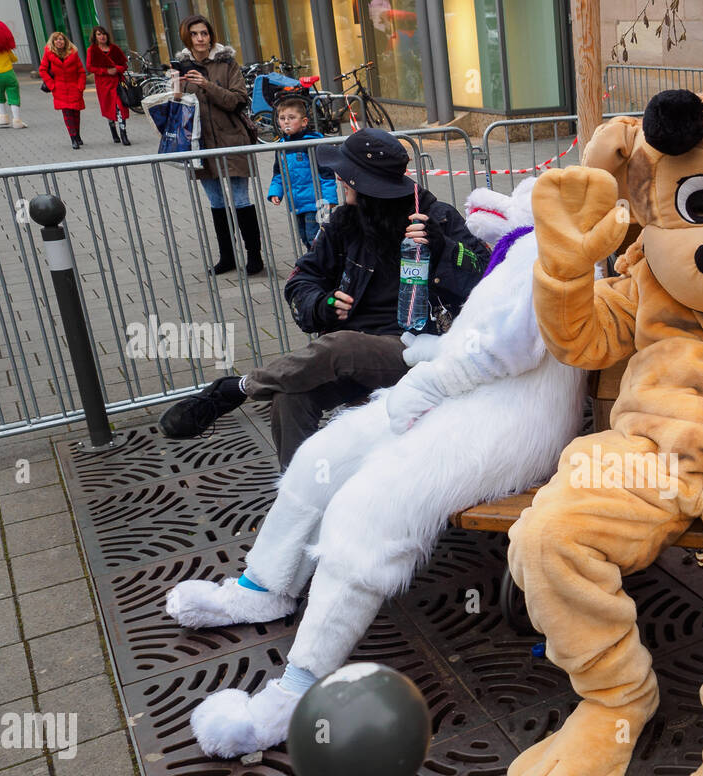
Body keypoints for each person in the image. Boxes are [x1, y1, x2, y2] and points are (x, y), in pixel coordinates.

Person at [163, 180, 587, 761]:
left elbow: (507, 350)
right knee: (320, 458)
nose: (488, 205)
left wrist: (426, 382)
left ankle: (293, 693)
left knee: (369, 509)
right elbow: (481, 341)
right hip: (466, 397)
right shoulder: (519, 247)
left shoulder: (545, 252)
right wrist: (425, 355)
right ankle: (262, 587)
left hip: (505, 423)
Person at [158, 128, 490, 467]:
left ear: (364, 183)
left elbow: (484, 276)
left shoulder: (436, 217)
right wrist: (322, 304)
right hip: (348, 353)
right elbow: (302, 279)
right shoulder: (344, 222)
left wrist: (443, 249)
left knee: (340, 346)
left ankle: (237, 388)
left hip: (416, 350)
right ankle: (299, 497)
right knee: (291, 396)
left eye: (345, 174)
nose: (337, 179)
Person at [172, 14, 262, 275]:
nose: (201, 38)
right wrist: (176, 89)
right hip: (199, 143)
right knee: (216, 201)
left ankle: (254, 256)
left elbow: (238, 100)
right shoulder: (182, 66)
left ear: (211, 35)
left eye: (205, 33)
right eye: (195, 34)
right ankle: (227, 257)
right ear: (187, 38)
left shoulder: (227, 63)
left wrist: (206, 85)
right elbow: (177, 108)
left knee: (240, 198)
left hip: (231, 138)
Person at [266, 95, 338, 249]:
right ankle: (316, 265)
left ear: (304, 122)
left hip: (318, 203)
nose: (286, 121)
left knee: (317, 239)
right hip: (298, 204)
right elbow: (278, 173)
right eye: (282, 118)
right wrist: (275, 192)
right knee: (305, 238)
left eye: (291, 117)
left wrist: (329, 199)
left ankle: (323, 268)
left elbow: (326, 174)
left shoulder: (313, 143)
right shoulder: (281, 146)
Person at [39, 32, 86, 149]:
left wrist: (81, 86)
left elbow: (81, 71)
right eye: (56, 40)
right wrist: (52, 85)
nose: (59, 41)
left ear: (65, 41)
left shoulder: (73, 54)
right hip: (59, 89)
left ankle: (78, 135)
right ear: (53, 42)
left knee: (76, 113)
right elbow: (43, 70)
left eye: (61, 39)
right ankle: (73, 138)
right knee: (67, 114)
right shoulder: (49, 54)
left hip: (74, 87)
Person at [86, 25, 130, 146]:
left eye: (104, 33)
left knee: (121, 107)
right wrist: (105, 71)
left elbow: (124, 65)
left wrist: (117, 69)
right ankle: (113, 130)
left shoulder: (114, 48)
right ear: (95, 37)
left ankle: (123, 134)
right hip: (104, 85)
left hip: (117, 83)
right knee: (109, 108)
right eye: (99, 34)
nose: (102, 36)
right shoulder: (92, 50)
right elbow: (90, 67)